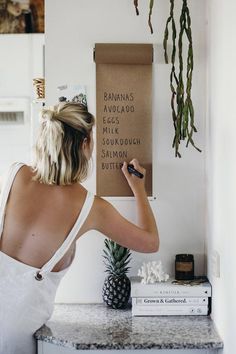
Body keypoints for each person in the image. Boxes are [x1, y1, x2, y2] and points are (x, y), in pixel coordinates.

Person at [0, 102, 159, 354]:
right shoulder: (90, 207)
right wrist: (139, 189)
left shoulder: (15, 174)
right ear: (85, 143)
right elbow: (150, 243)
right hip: (16, 335)